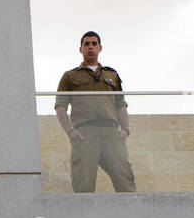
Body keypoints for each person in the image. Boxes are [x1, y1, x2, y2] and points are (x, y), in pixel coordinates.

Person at [55, 32, 137, 193]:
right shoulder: (70, 76)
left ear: (100, 48)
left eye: (94, 43)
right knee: (83, 183)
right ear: (80, 49)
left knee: (125, 179)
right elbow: (60, 106)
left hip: (111, 132)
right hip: (85, 133)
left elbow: (120, 104)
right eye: (86, 44)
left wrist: (125, 129)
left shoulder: (111, 75)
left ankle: (131, 217)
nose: (90, 47)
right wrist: (70, 131)